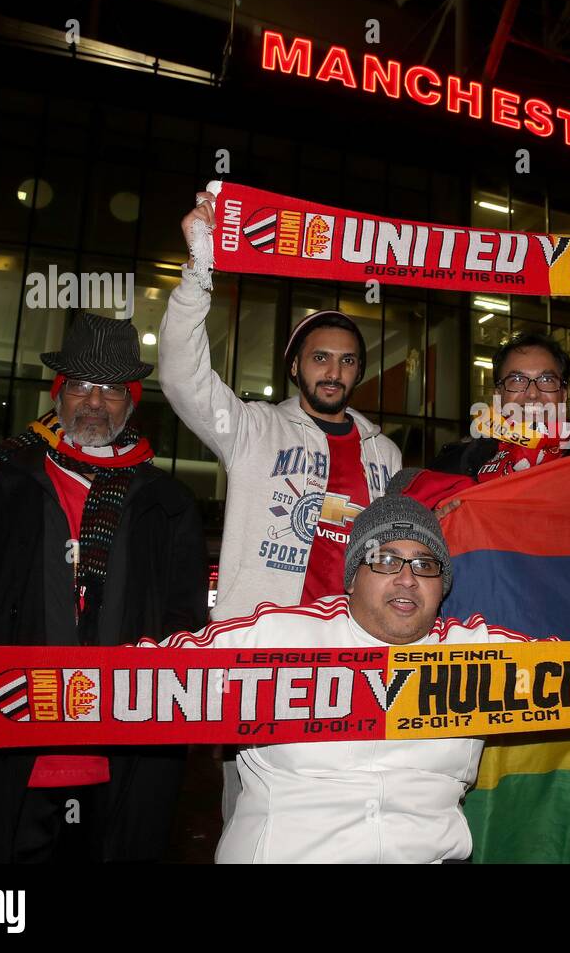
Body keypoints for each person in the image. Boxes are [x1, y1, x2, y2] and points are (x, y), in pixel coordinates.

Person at [0, 495, 570, 863]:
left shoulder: (483, 653)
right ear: (353, 575)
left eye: (424, 564)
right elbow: (142, 677)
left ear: (444, 582)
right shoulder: (276, 635)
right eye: (384, 560)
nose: (405, 578)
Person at [0, 311, 208, 862]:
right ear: (59, 393)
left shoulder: (167, 501)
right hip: (7, 729)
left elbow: (186, 623)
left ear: (132, 401)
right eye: (81, 386)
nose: (95, 401)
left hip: (119, 739)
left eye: (112, 388)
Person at [162, 189, 404, 821]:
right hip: (264, 655)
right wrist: (199, 266)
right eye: (320, 357)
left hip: (357, 657)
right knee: (255, 820)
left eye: (348, 361)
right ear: (296, 365)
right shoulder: (251, 429)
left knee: (341, 818)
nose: (335, 371)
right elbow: (182, 375)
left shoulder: (387, 454)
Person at [394, 332, 570, 512]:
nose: (532, 394)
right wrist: (435, 525)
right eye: (517, 380)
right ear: (498, 396)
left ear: (564, 395)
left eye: (547, 380)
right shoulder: (455, 466)